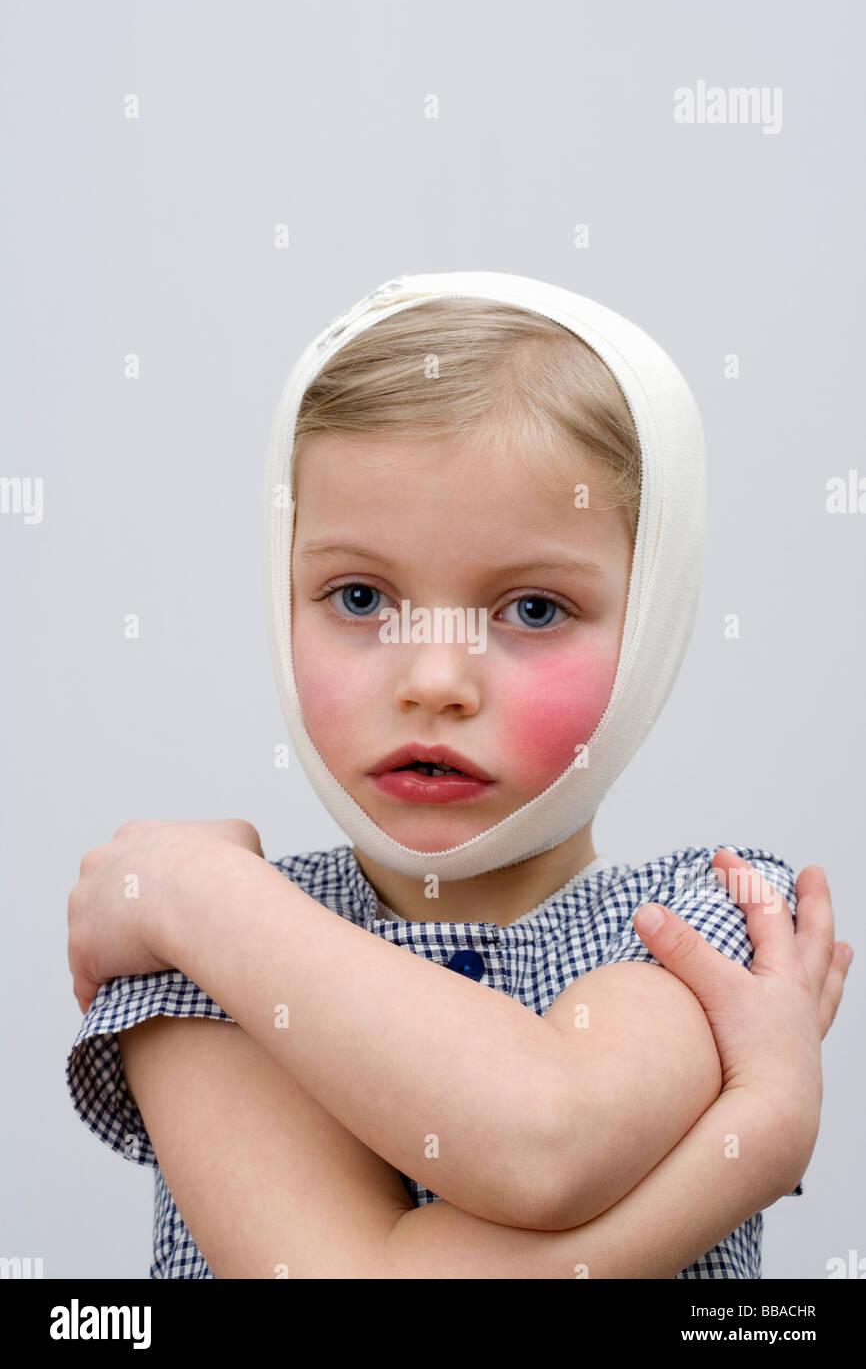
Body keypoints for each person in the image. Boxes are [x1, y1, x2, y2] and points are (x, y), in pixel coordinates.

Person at [66, 273, 853, 1278]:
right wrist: (752, 1134)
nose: (433, 681)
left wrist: (197, 891)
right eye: (359, 596)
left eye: (529, 609)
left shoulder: (718, 928)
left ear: (651, 621)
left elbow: (549, 1137)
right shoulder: (190, 960)